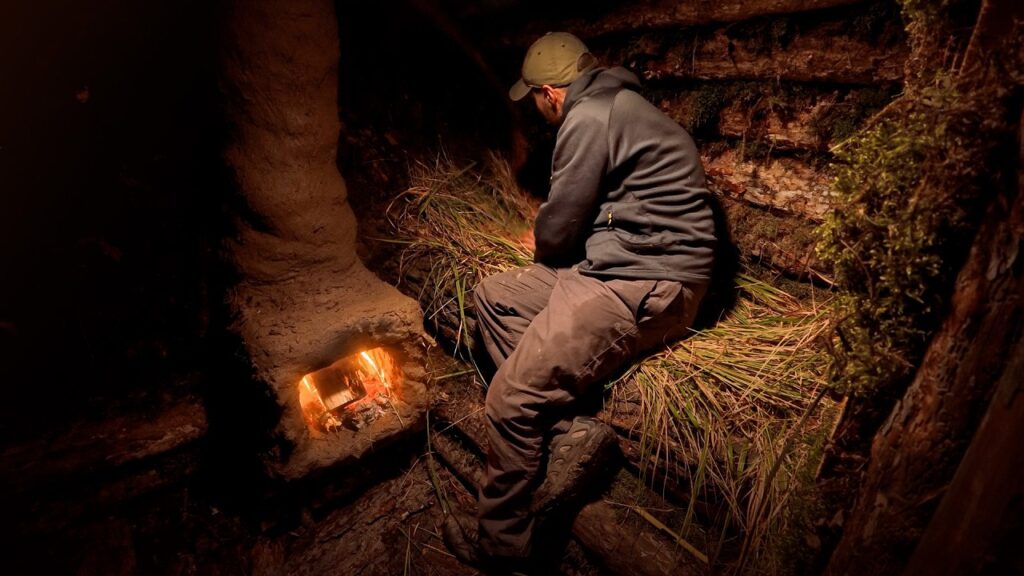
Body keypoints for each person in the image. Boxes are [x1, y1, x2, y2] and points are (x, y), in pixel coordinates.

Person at [443, 31, 717, 572]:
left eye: (535, 99)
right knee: (496, 296)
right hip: (617, 262)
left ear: (550, 94)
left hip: (647, 282)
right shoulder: (616, 101)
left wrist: (544, 239)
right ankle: (566, 430)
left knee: (509, 398)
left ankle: (502, 547)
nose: (537, 109)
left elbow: (562, 223)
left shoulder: (588, 117)